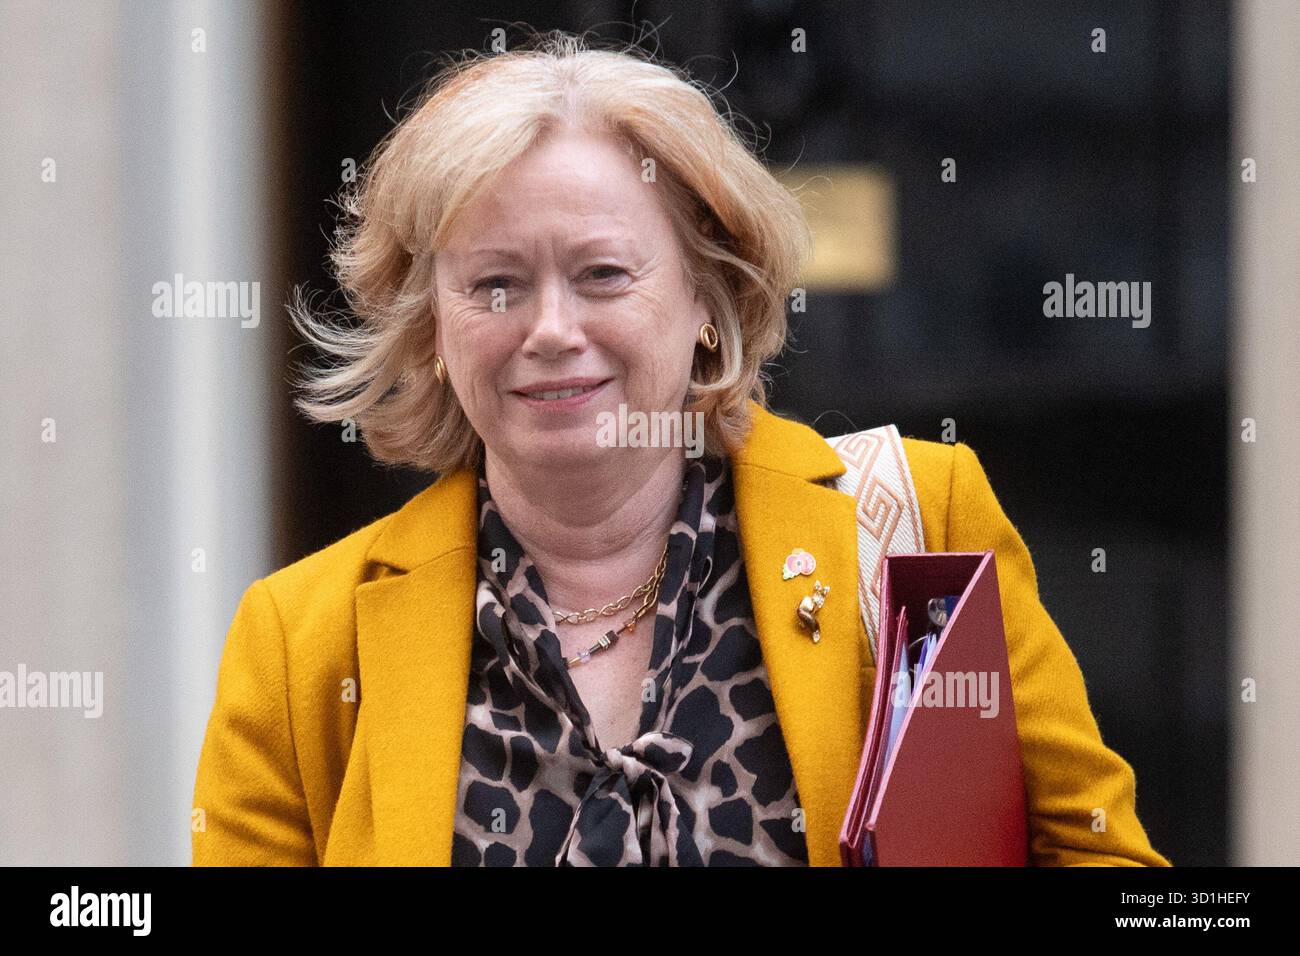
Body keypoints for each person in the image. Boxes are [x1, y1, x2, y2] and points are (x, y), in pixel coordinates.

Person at [191, 31, 1170, 867]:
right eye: (494, 283)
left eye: (602, 272)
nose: (549, 328)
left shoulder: (912, 526)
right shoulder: (301, 640)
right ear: (431, 326)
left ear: (706, 299)